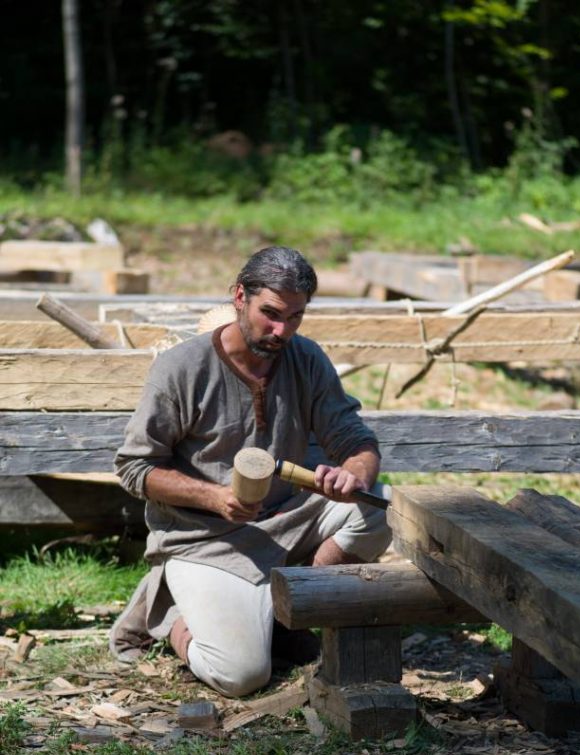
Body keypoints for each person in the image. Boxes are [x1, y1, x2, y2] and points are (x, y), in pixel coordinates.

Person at [110, 246, 391, 696]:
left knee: (378, 507)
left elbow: (356, 441)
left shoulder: (307, 359)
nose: (282, 330)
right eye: (271, 314)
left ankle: (294, 611)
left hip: (288, 521)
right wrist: (215, 498)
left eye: (296, 317)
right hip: (204, 540)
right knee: (242, 676)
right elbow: (135, 468)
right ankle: (168, 616)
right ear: (240, 296)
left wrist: (354, 473)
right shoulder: (182, 368)